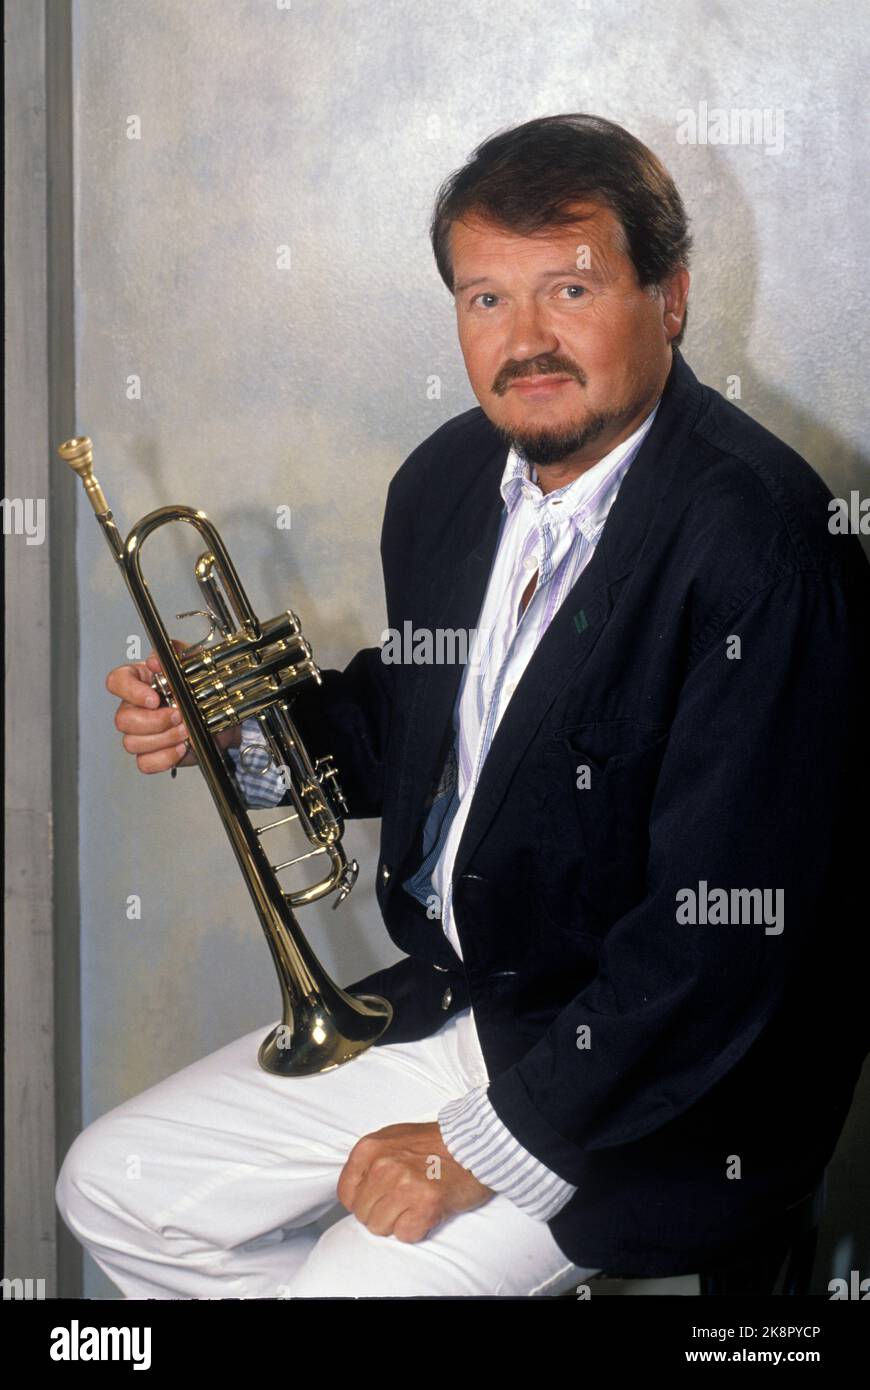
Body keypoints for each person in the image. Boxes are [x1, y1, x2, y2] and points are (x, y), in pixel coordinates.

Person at [55, 113, 870, 1298]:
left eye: (571, 289)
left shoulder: (761, 548)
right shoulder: (445, 484)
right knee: (109, 1185)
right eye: (486, 299)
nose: (525, 339)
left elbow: (718, 942)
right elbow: (420, 728)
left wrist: (475, 1152)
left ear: (672, 298)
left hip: (663, 1094)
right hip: (471, 1004)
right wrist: (237, 733)